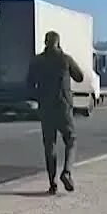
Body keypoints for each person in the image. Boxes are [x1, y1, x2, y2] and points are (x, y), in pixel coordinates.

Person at [27, 31, 85, 195]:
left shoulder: (37, 61)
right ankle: (66, 172)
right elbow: (79, 76)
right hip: (63, 106)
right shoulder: (65, 59)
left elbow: (29, 85)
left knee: (49, 145)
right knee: (71, 140)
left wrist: (39, 97)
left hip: (46, 108)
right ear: (58, 43)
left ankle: (52, 184)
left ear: (45, 43)